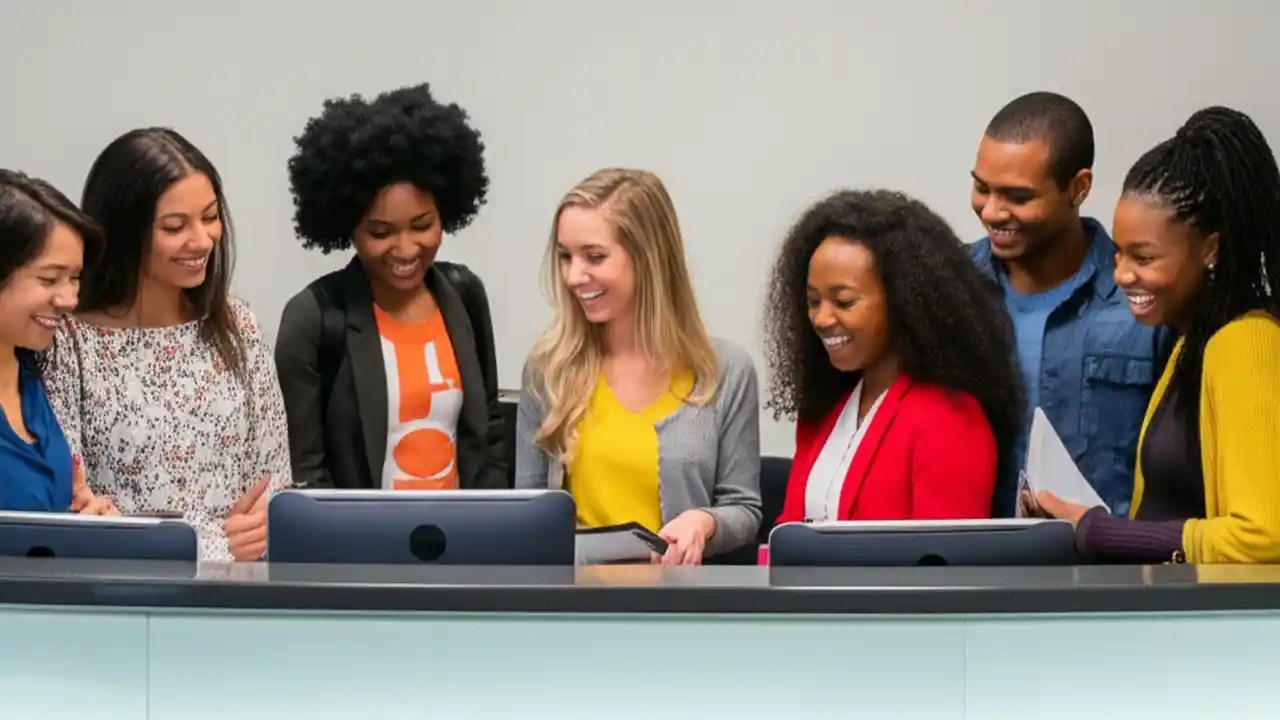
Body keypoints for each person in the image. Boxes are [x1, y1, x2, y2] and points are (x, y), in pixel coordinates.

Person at [1033, 106, 1280, 564]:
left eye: (1143, 258)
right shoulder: (1189, 342)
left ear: (1210, 250)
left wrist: (1098, 531)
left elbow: (1266, 536)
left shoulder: (1245, 342)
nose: (1122, 275)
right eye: (1119, 253)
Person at [43, 128, 291, 561]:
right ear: (125, 230)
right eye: (175, 226)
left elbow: (273, 491)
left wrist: (243, 540)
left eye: (210, 217)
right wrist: (212, 544)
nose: (202, 240)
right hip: (121, 599)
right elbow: (81, 511)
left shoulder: (238, 325)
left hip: (245, 593)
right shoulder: (66, 342)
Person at [515, 168, 761, 564]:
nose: (574, 276)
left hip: (679, 608)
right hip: (573, 608)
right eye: (565, 257)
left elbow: (744, 509)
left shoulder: (727, 372)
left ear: (648, 258)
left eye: (594, 256)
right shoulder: (549, 371)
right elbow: (526, 515)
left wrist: (704, 522)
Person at [276, 83, 506, 492]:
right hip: (358, 549)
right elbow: (305, 471)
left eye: (422, 225)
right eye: (380, 232)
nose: (406, 249)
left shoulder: (465, 294)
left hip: (461, 545)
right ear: (349, 227)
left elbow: (487, 433)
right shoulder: (314, 317)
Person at [970, 91, 1172, 517]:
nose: (991, 211)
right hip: (976, 570)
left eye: (1017, 197)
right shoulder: (949, 288)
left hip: (1111, 573)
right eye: (981, 188)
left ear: (1078, 188)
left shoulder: (1143, 301)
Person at [767, 189, 1022, 523]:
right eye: (814, 301)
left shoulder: (949, 420)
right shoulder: (825, 405)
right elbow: (789, 533)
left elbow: (944, 565)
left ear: (904, 302)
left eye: (843, 302)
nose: (822, 318)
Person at [0, 170, 114, 514]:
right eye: (49, 279)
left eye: (74, 278)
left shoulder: (35, 373)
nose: (69, 299)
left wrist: (82, 523)